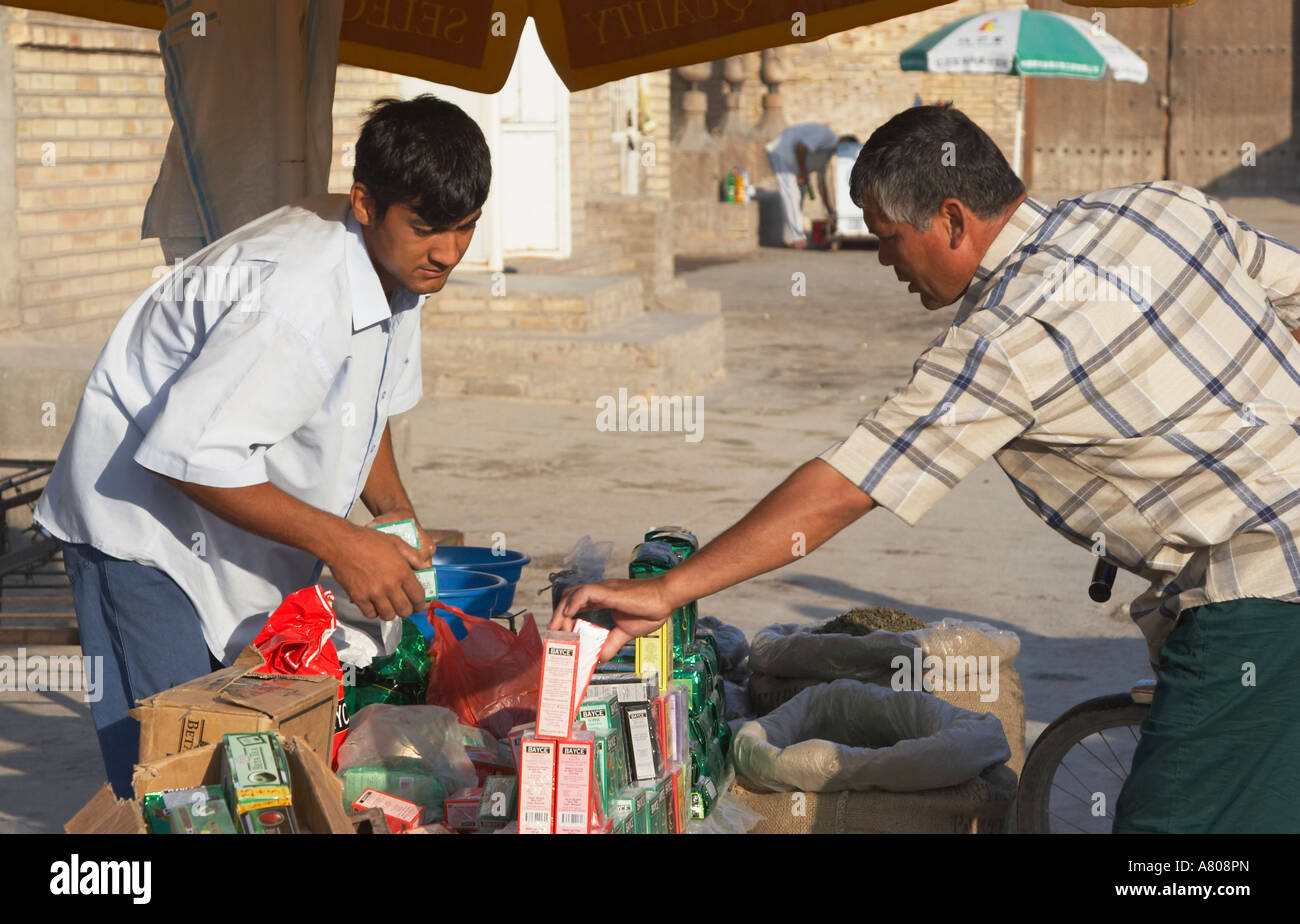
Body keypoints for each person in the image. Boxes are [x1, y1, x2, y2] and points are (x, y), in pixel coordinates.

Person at [554, 104, 1300, 834]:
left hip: (1257, 595)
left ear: (950, 219)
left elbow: (847, 486)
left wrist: (670, 588)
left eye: (887, 238)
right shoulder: (1160, 208)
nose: (883, 261)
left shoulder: (1002, 340)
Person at [34, 94, 489, 796]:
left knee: (244, 755)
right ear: (365, 203)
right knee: (176, 770)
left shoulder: (399, 269)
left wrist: (394, 516)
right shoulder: (297, 295)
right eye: (428, 228)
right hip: (140, 527)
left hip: (222, 520)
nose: (449, 253)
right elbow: (186, 456)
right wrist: (343, 543)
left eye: (466, 228)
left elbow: (361, 408)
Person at [764, 122, 841, 248]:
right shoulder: (827, 135)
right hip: (781, 151)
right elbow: (801, 147)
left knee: (799, 193)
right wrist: (803, 172)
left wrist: (830, 211)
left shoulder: (826, 155)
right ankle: (797, 237)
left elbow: (822, 185)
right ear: (842, 142)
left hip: (792, 160)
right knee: (791, 195)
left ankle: (790, 238)